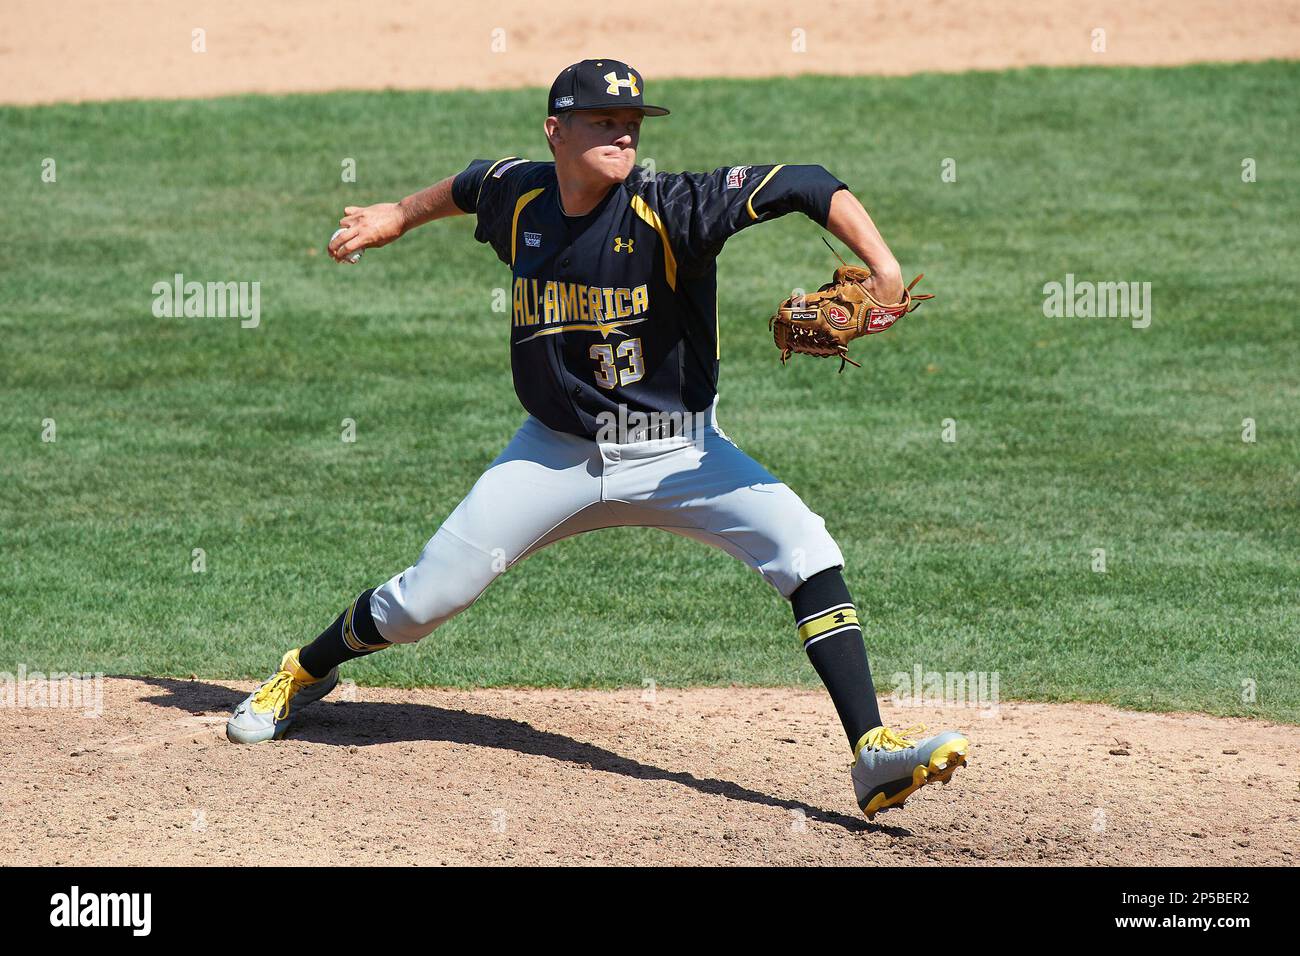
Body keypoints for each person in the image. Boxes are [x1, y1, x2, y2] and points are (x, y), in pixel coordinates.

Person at [226, 58, 968, 820]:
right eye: (604, 123)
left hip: (682, 454)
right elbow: (468, 183)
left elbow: (807, 181)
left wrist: (883, 267)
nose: (624, 136)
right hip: (554, 454)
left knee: (808, 550)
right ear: (556, 130)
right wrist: (396, 215)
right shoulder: (521, 195)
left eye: (633, 124)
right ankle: (305, 671)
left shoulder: (671, 206)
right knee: (423, 604)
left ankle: (872, 752)